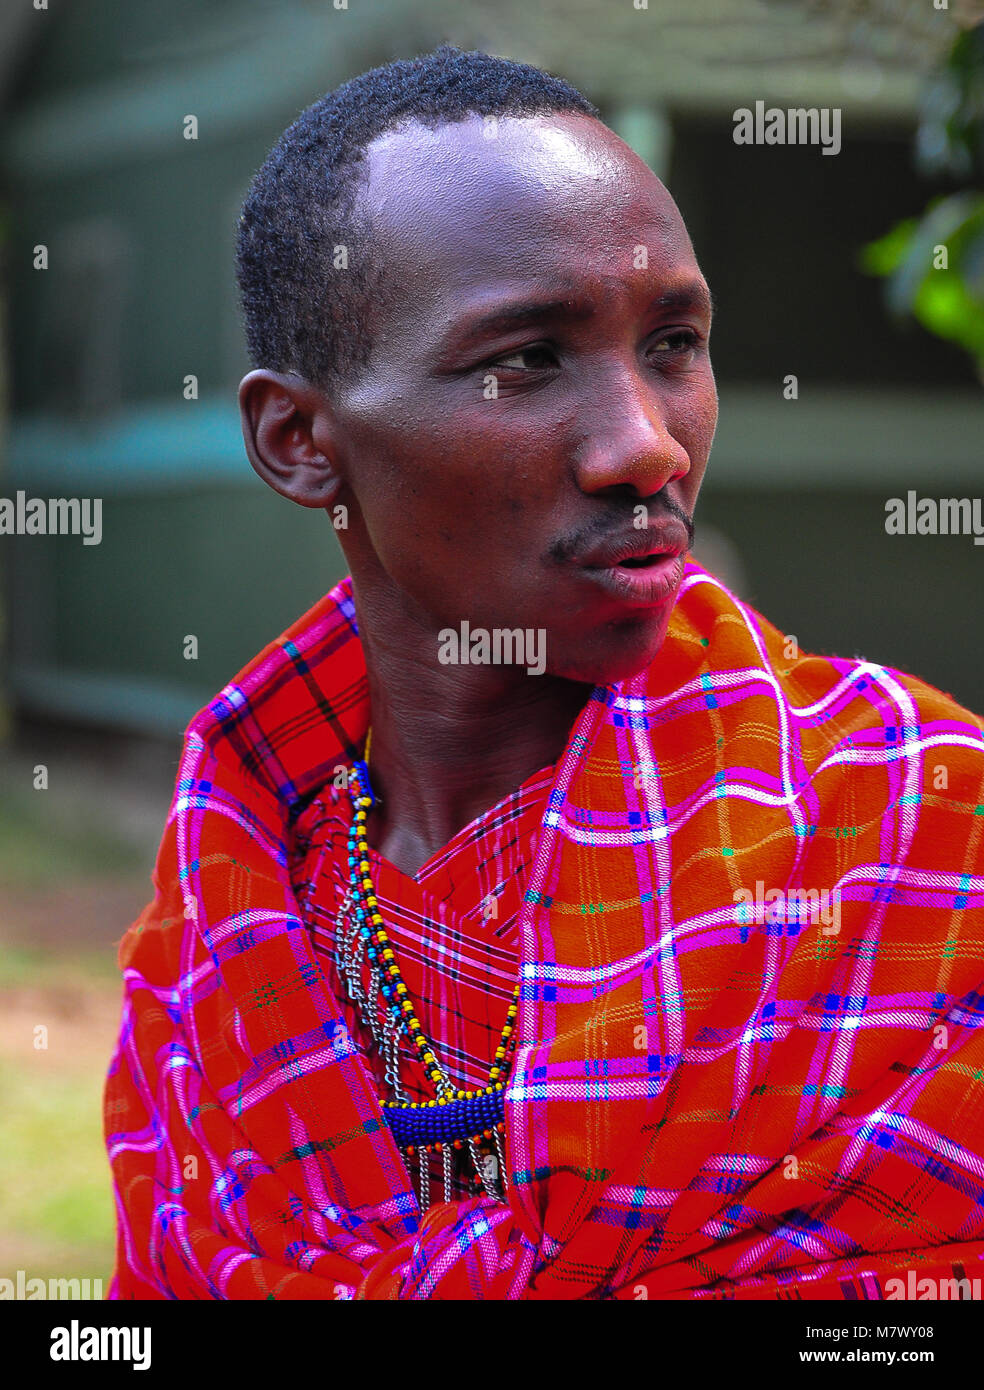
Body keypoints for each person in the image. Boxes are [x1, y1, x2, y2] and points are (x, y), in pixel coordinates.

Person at [104, 44, 984, 1300]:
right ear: (301, 441)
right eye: (524, 360)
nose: (645, 445)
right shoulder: (219, 938)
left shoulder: (915, 830)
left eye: (674, 342)